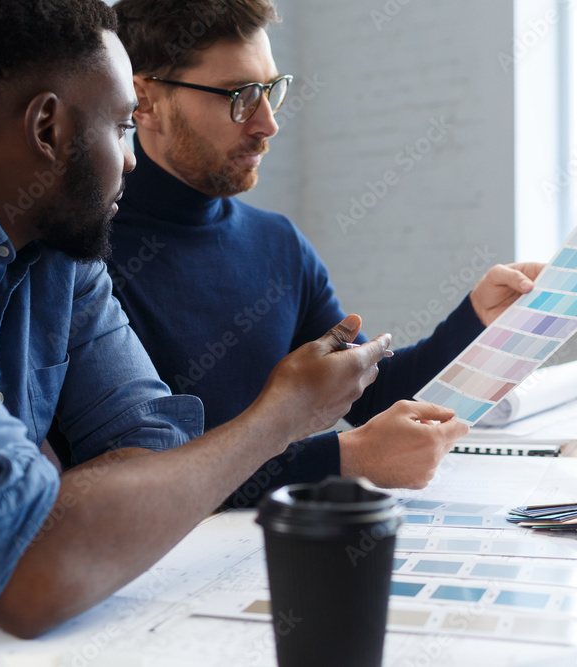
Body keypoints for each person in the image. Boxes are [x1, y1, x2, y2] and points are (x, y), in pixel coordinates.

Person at [0, 0, 392, 639]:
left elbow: (159, 451)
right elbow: (26, 576)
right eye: (122, 127)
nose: (129, 160)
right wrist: (278, 417)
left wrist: (27, 512)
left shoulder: (59, 246)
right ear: (48, 129)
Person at [103, 0, 543, 504]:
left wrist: (478, 320)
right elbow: (144, 476)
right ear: (145, 101)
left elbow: (371, 394)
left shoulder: (278, 244)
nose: (267, 123)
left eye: (271, 91)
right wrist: (341, 458)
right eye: (241, 95)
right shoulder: (87, 259)